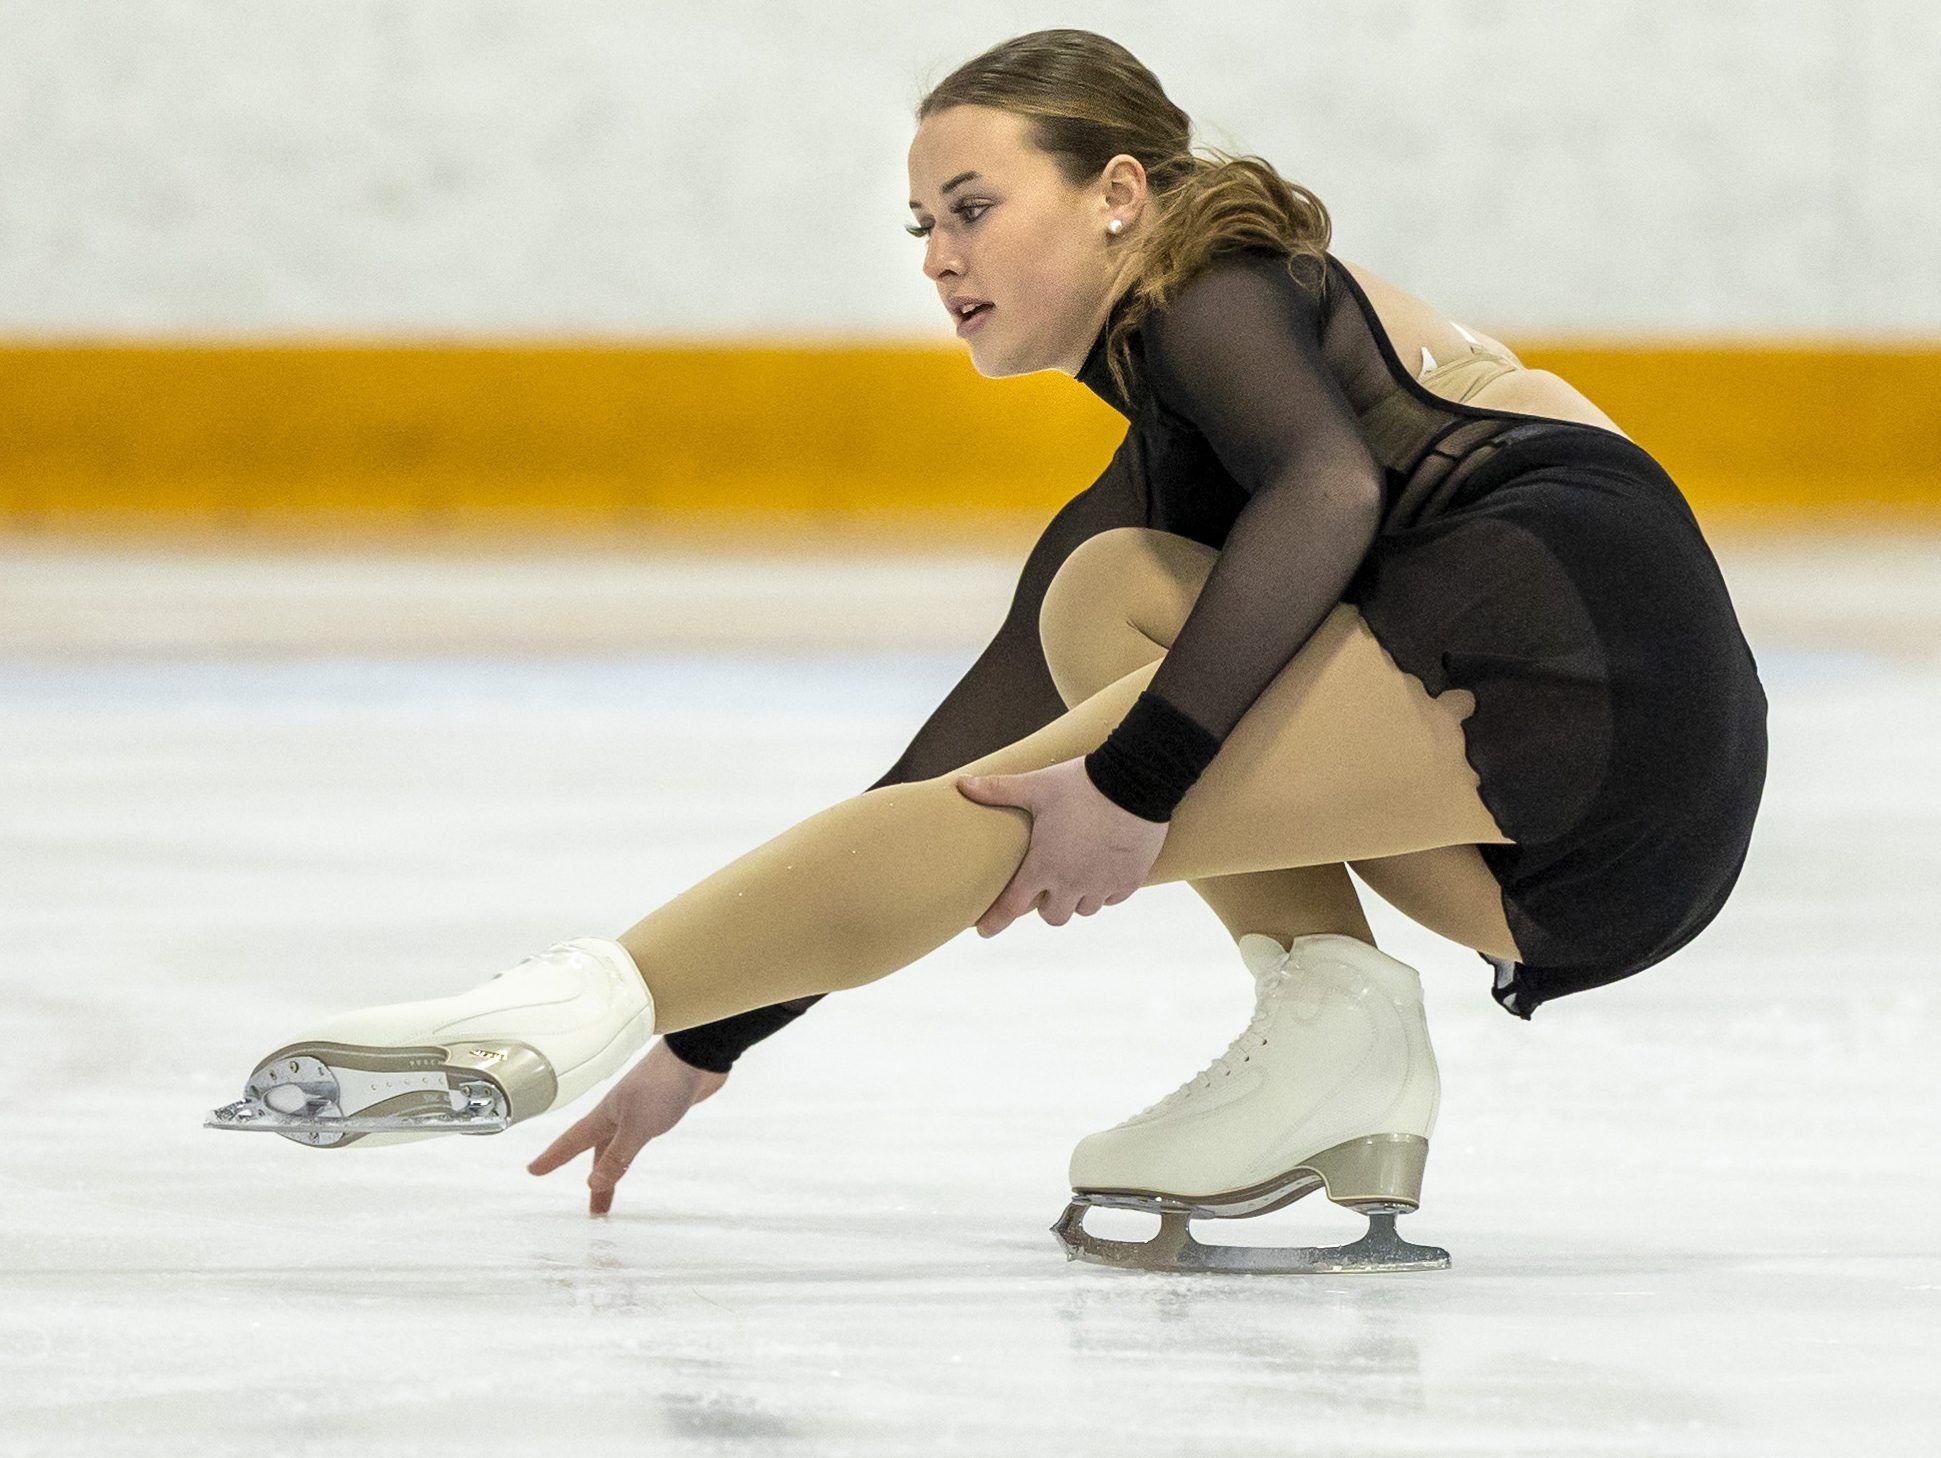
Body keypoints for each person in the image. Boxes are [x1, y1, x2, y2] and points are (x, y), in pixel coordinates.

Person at [206, 30, 1768, 1273]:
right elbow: (949, 762)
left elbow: (1331, 489)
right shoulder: (1168, 436)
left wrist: (1138, 782)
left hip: (1570, 661)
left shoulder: (1212, 294)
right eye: (921, 226)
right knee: (1103, 604)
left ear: (1116, 194)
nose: (939, 258)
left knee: (1062, 769)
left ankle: (555, 1011)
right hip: (1558, 815)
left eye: (971, 209)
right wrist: (712, 1030)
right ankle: (1338, 1039)